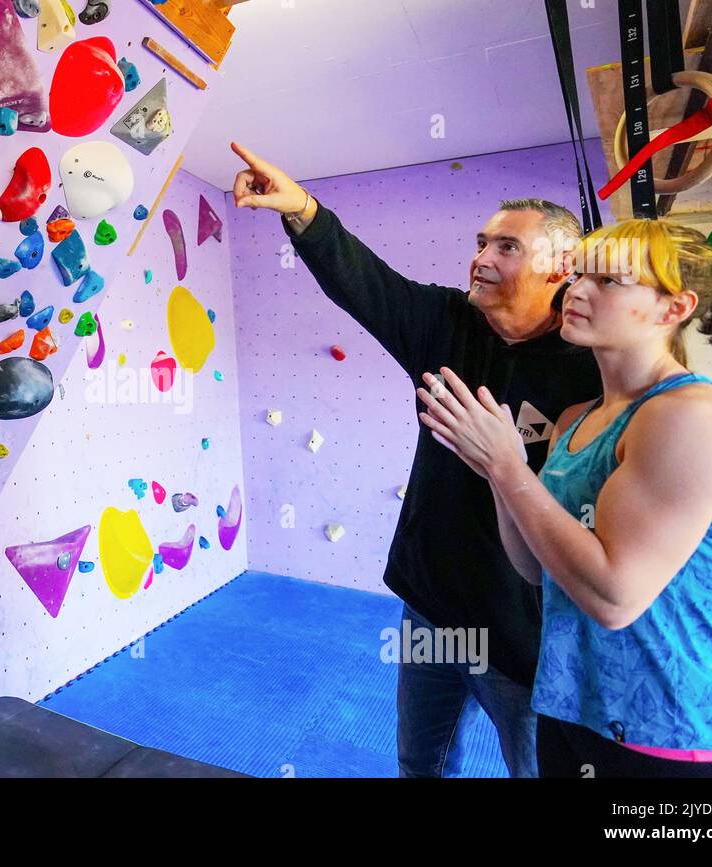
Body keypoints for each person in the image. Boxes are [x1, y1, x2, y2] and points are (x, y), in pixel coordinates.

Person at [230, 142, 602, 777]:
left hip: (527, 636)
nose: (482, 258)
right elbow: (368, 284)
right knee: (418, 762)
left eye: (506, 247)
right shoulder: (446, 324)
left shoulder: (592, 367)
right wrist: (300, 209)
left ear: (561, 267)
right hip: (430, 604)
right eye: (482, 242)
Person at [418, 218, 712, 777]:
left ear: (673, 309)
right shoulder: (575, 420)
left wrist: (509, 466)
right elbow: (540, 573)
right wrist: (496, 475)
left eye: (609, 281)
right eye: (580, 274)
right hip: (574, 713)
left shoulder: (692, 417)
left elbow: (615, 598)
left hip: (677, 742)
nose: (577, 290)